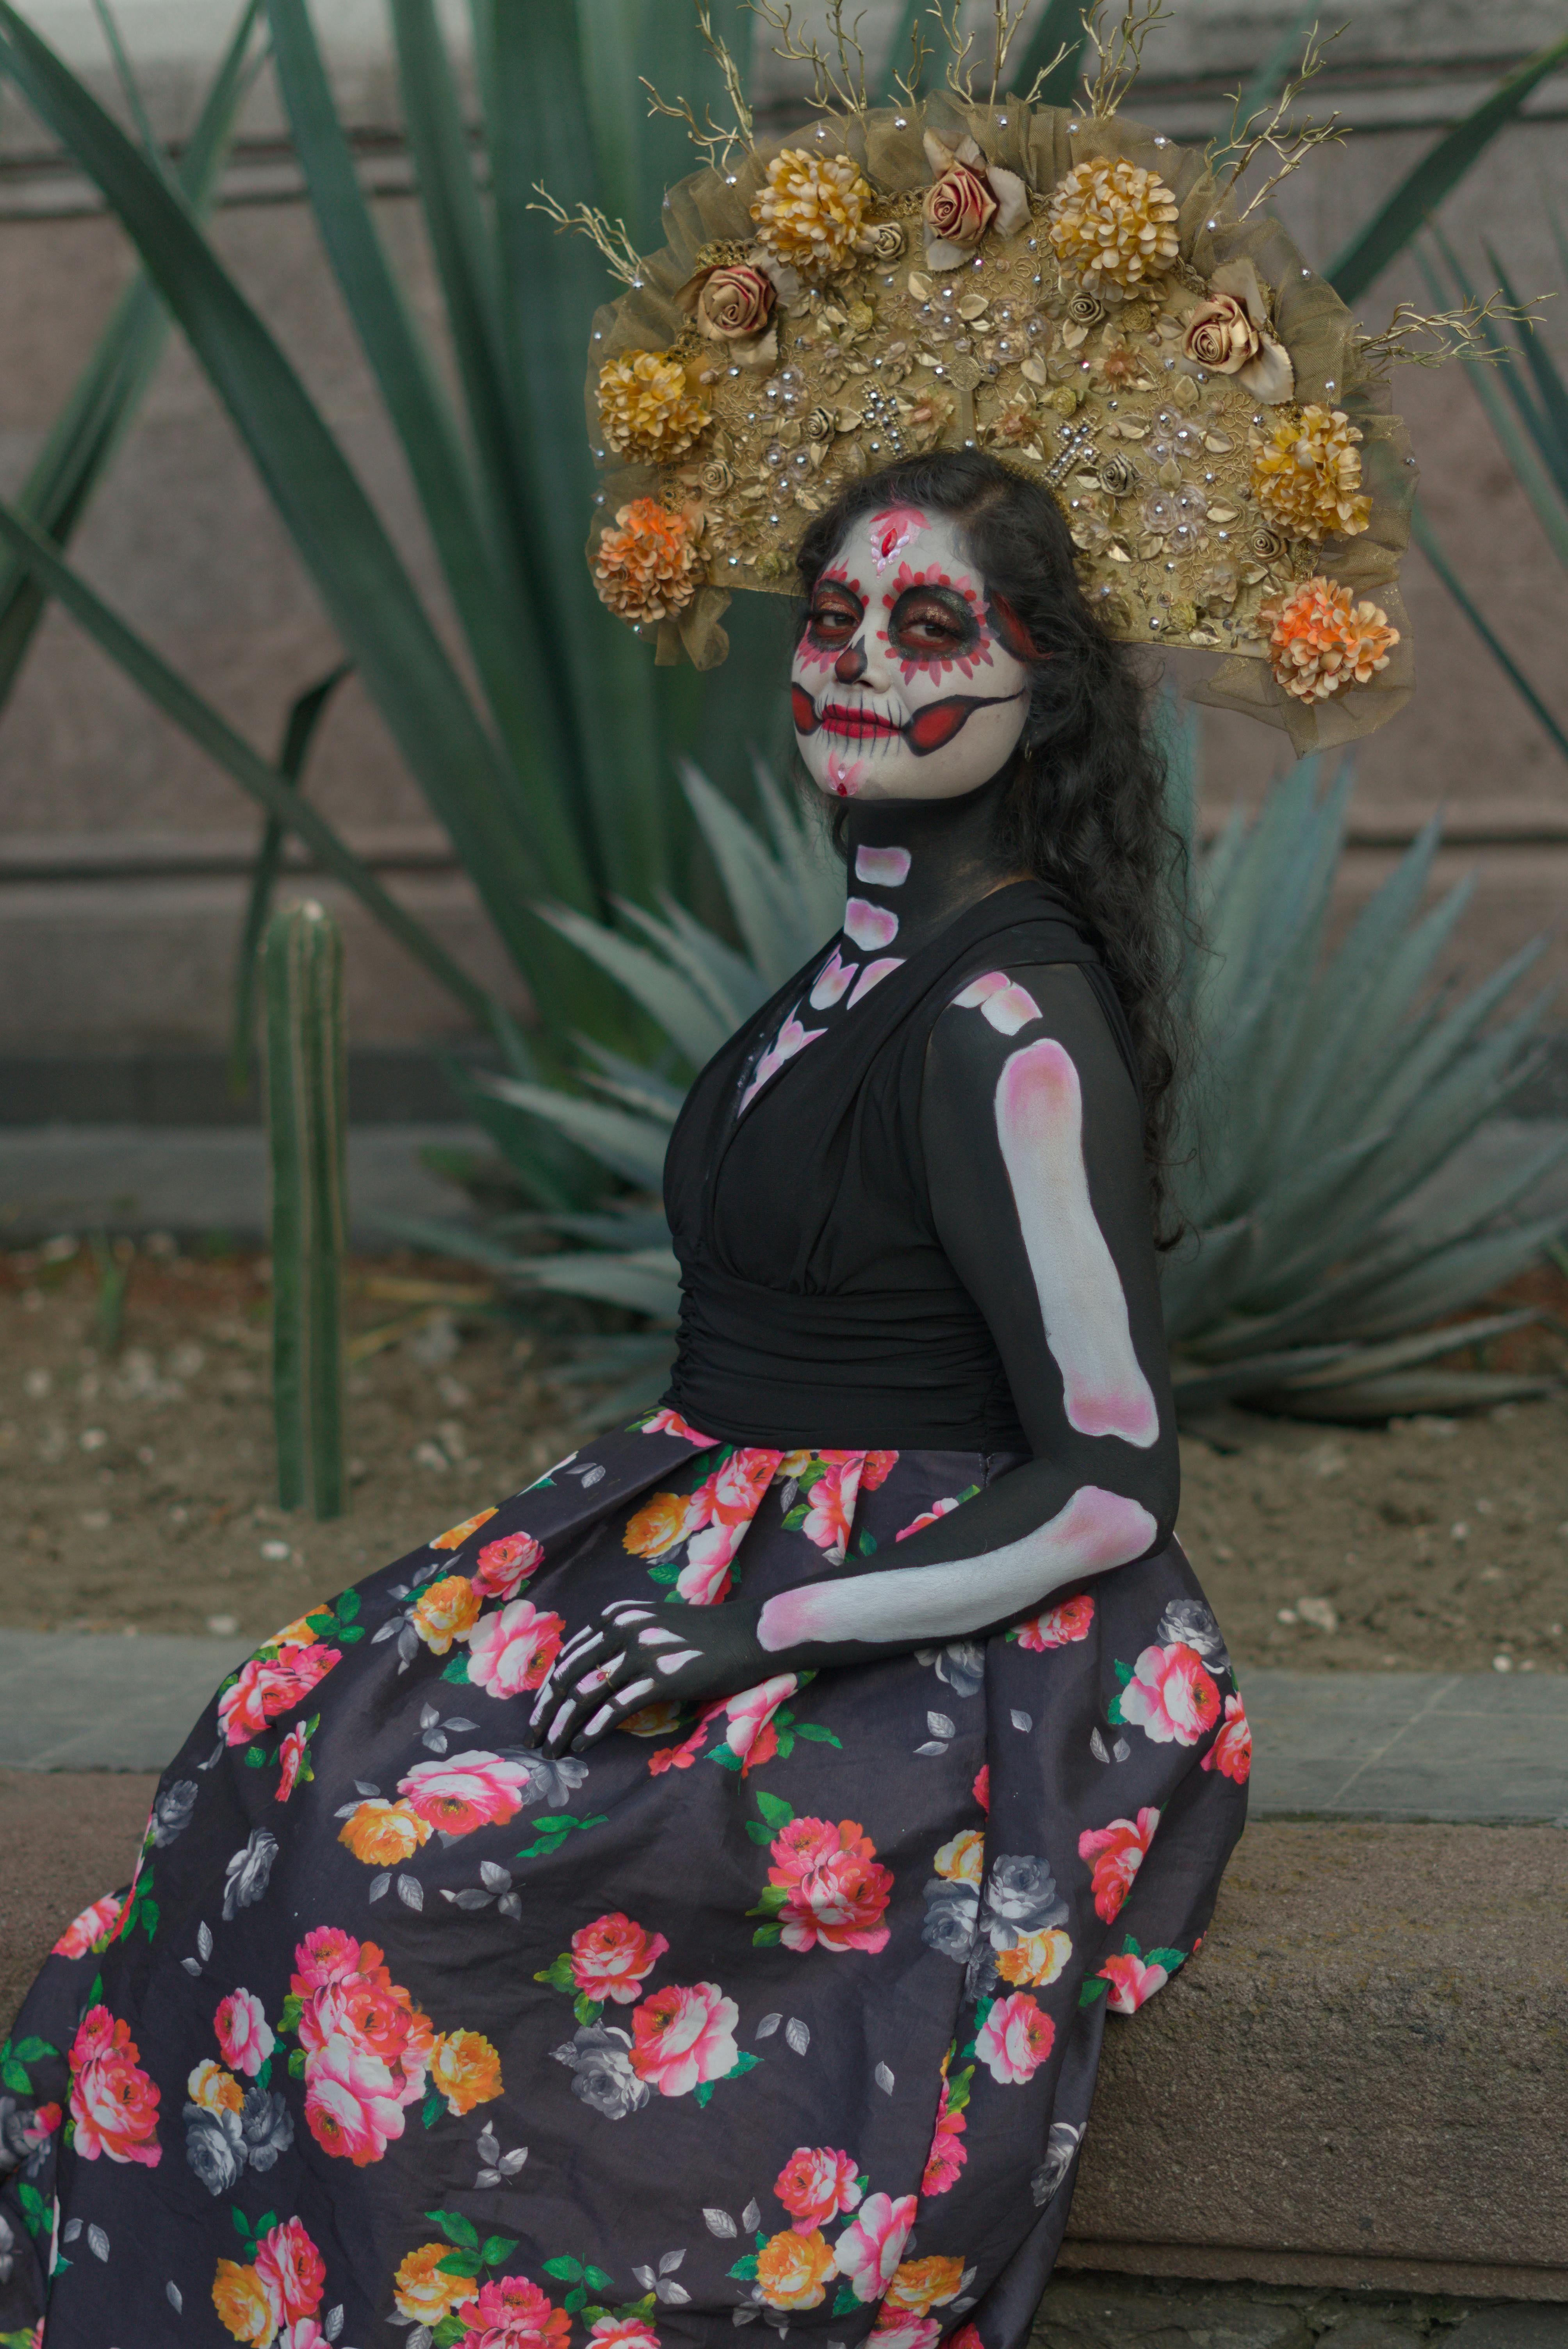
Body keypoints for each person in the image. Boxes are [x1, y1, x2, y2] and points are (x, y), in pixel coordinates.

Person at [0, 445, 1248, 2349]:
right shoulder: (860, 955)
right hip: (718, 1516)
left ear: (1040, 678)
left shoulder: (1006, 1022)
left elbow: (1106, 1478)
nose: (862, 666)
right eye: (831, 620)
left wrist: (746, 1633)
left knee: (392, 1859)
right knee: (287, 1743)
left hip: (936, 1618)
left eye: (931, 627)